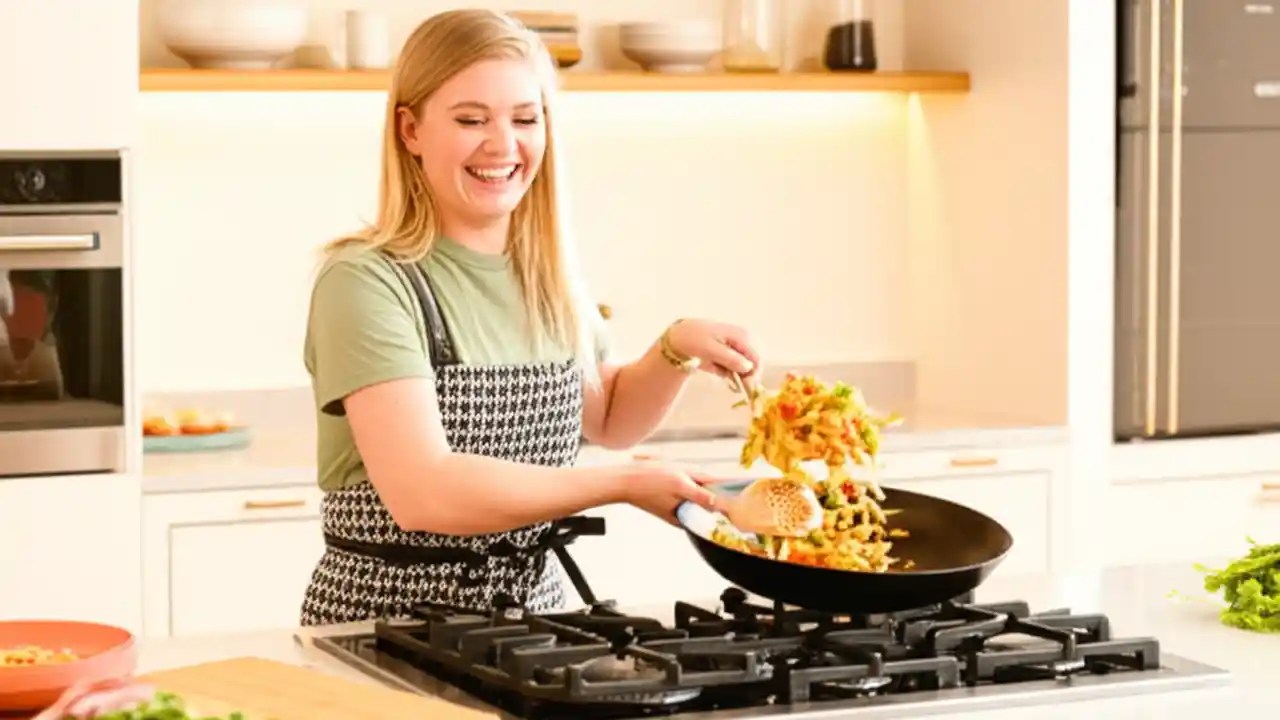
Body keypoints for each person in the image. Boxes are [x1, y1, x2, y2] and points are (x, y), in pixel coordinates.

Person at [298, 8, 763, 626]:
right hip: (386, 625)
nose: (503, 144)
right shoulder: (367, 280)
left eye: (525, 118)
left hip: (534, 624)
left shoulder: (546, 272)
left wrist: (674, 350)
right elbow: (423, 490)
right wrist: (621, 485)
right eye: (471, 119)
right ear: (410, 130)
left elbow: (607, 417)